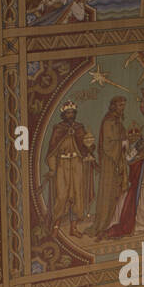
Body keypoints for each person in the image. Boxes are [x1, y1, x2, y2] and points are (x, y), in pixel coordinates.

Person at [46, 101, 95, 236]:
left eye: (72, 112)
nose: (70, 115)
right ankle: (56, 226)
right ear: (63, 114)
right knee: (62, 196)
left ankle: (73, 228)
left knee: (77, 195)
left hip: (77, 163)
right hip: (62, 164)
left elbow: (85, 145)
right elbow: (51, 150)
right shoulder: (58, 129)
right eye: (68, 112)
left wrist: (90, 147)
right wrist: (52, 168)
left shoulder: (79, 128)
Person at [94, 96, 127, 235]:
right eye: (120, 105)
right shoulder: (109, 121)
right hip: (110, 162)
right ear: (113, 106)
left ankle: (112, 222)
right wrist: (122, 144)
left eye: (123, 105)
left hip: (116, 161)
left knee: (116, 192)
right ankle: (103, 224)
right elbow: (108, 143)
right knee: (108, 192)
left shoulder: (117, 121)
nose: (122, 108)